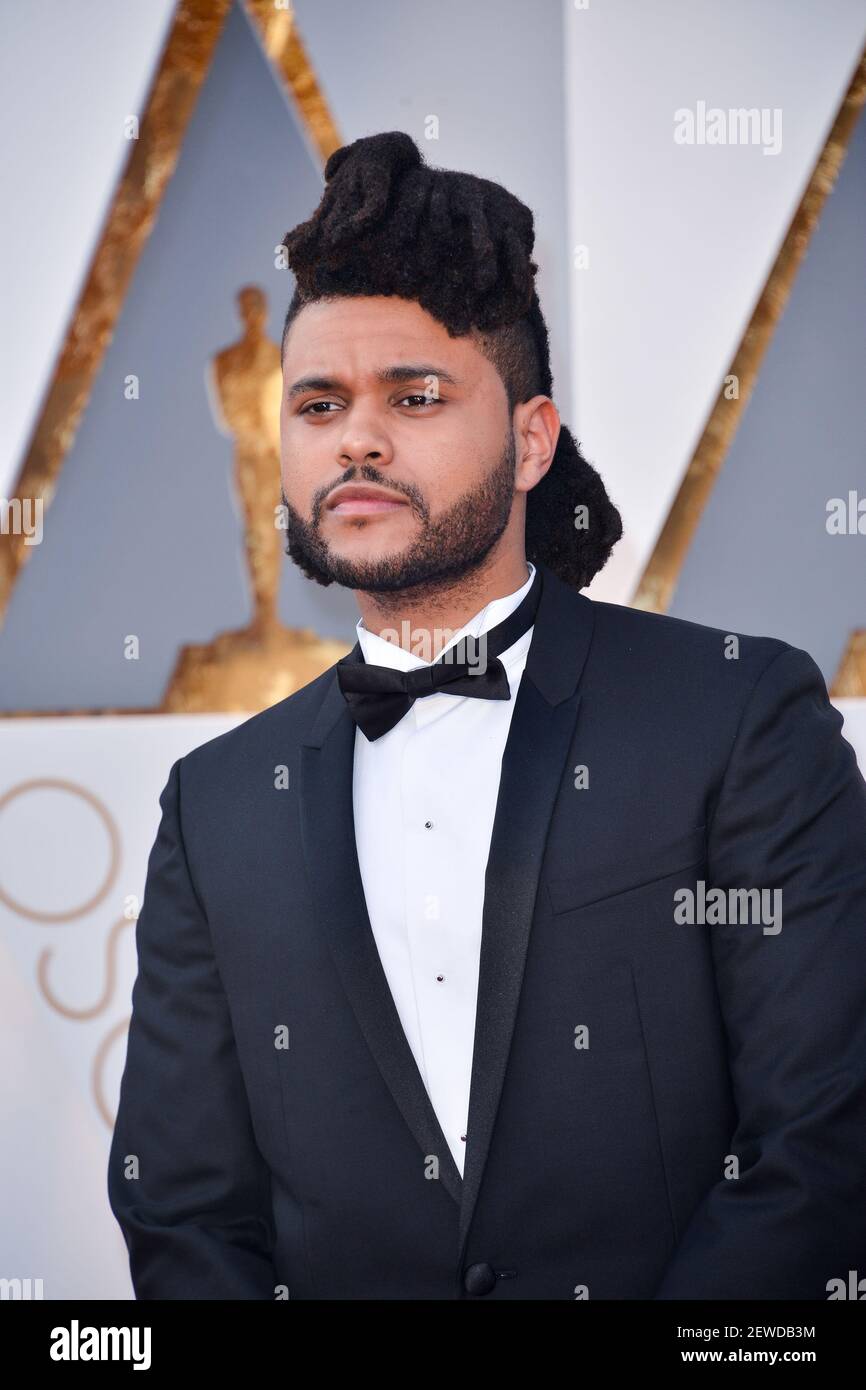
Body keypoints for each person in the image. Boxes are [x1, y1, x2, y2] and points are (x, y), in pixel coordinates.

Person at [108, 131, 866, 1300]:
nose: (355, 436)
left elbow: (822, 1147)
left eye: (413, 395)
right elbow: (184, 1212)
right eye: (317, 403)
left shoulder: (735, 717)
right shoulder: (215, 804)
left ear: (529, 440)